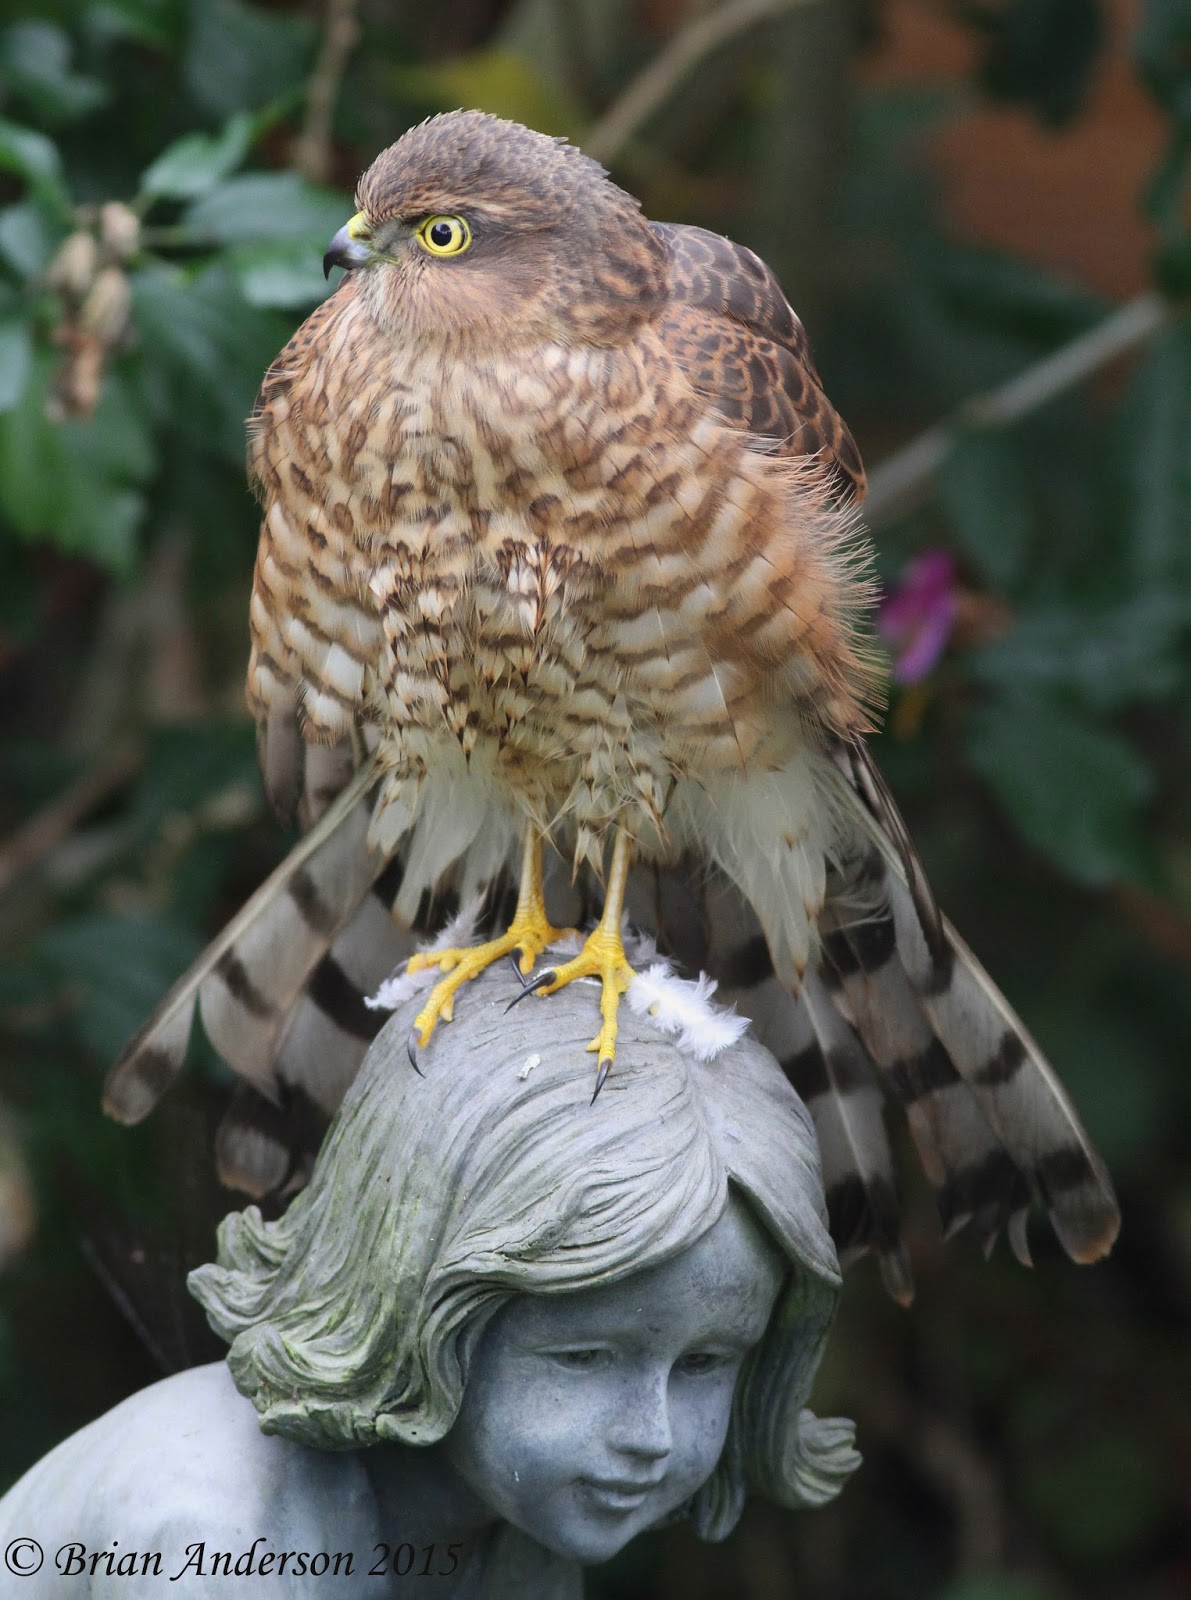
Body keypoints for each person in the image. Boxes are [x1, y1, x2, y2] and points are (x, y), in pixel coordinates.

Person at [0, 964, 857, 1596]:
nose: (653, 1436)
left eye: (706, 1362)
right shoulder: (214, 1535)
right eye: (585, 1357)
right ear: (416, 1299)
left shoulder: (515, 1525)